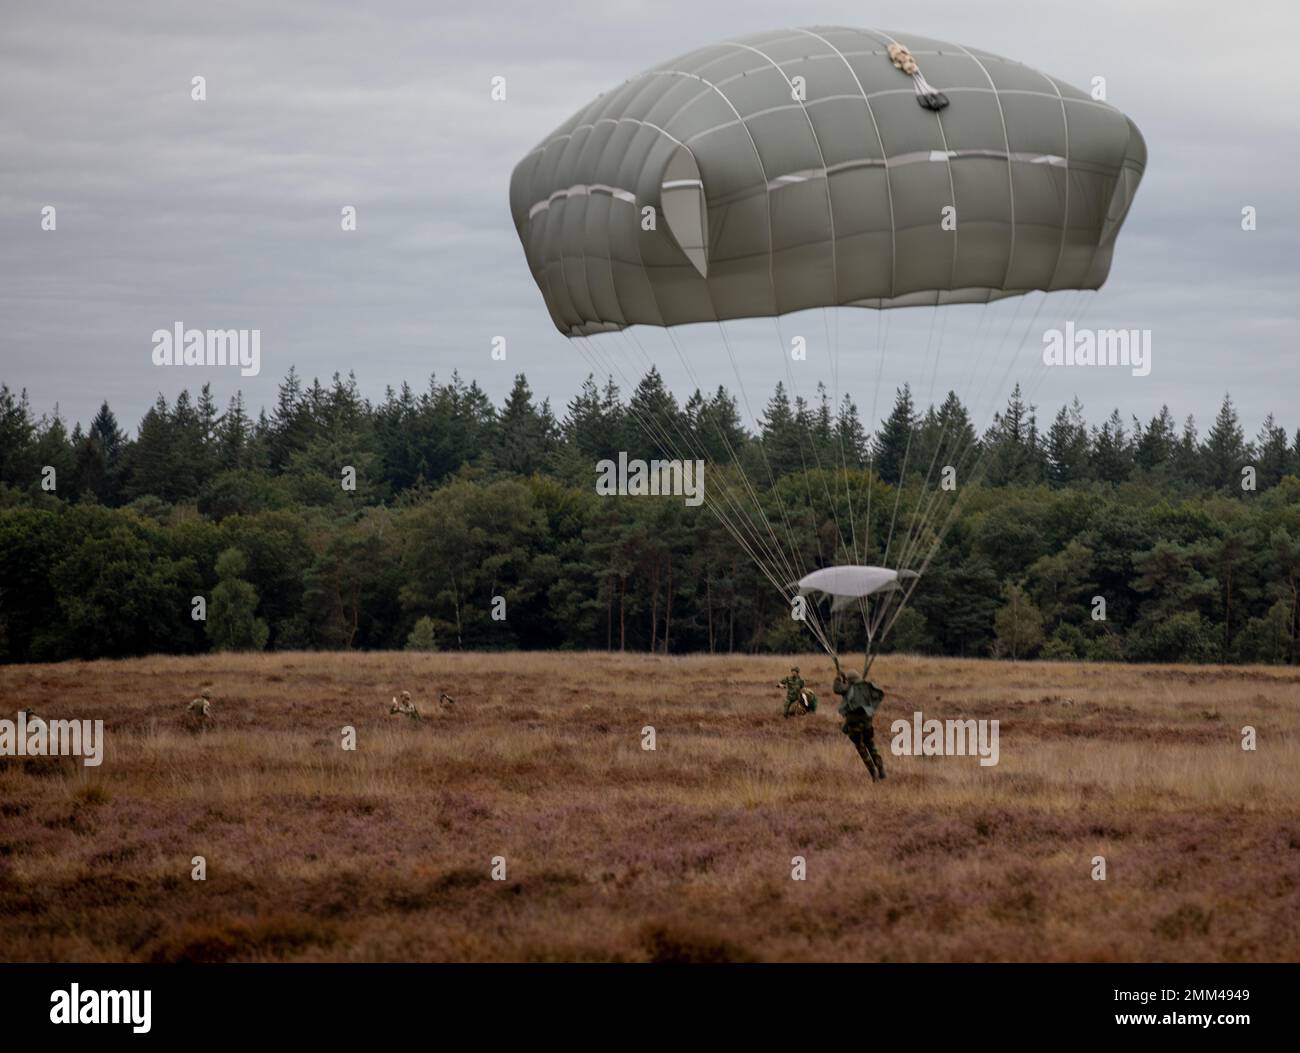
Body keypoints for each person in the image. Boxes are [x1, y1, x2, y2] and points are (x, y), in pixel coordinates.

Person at [832, 667, 886, 780]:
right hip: (867, 723)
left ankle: (873, 773)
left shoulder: (849, 689)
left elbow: (837, 689)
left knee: (861, 748)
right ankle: (880, 767)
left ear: (850, 680)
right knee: (871, 745)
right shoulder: (867, 687)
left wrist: (838, 678)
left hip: (854, 724)